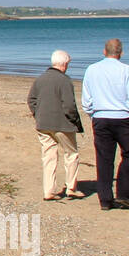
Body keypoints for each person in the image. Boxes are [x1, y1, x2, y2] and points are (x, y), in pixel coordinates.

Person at [81, 38, 129, 211]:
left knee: (104, 159)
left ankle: (106, 199)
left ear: (104, 51)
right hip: (123, 118)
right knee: (128, 155)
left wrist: (92, 114)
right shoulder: (127, 70)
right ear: (121, 53)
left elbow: (86, 98)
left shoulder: (92, 69)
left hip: (102, 117)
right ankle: (122, 195)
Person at [26, 50, 84, 201]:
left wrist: (38, 115)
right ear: (64, 64)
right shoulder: (64, 80)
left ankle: (49, 191)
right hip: (61, 125)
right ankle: (71, 188)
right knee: (71, 154)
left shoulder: (40, 79)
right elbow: (69, 106)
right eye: (68, 64)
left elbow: (31, 100)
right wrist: (75, 121)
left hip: (43, 124)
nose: (68, 66)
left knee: (49, 157)